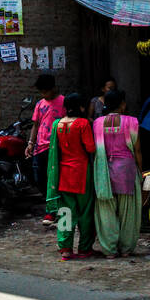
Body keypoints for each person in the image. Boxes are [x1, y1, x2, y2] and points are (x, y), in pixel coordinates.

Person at [46, 93, 96, 261]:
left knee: (65, 212)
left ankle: (65, 249)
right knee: (85, 212)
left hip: (63, 174)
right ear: (81, 107)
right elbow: (90, 148)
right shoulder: (83, 123)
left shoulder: (56, 125)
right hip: (82, 173)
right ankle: (84, 248)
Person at [92, 90, 142, 258]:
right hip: (127, 171)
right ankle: (126, 249)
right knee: (128, 212)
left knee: (106, 212)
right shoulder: (132, 122)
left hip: (104, 172)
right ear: (123, 104)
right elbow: (138, 150)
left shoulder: (97, 123)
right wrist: (141, 171)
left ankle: (110, 250)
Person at [27, 73, 65, 228]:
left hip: (56, 148)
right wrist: (30, 143)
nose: (43, 95)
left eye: (45, 91)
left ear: (53, 88)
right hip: (39, 148)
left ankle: (54, 211)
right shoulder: (40, 104)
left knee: (55, 180)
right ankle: (51, 207)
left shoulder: (63, 102)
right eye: (41, 92)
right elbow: (35, 125)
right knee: (39, 178)